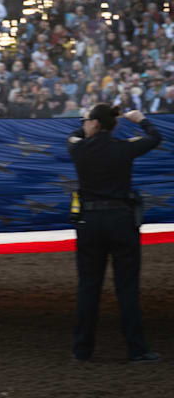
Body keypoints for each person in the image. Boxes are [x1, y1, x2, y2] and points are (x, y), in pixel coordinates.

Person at [67, 103, 162, 363]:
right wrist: (140, 120)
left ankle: (82, 350)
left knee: (88, 288)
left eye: (86, 120)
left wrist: (102, 117)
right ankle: (137, 350)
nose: (83, 123)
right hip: (121, 221)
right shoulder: (125, 148)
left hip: (90, 223)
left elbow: (76, 134)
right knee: (127, 289)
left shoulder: (78, 148)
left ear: (94, 125)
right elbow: (155, 138)